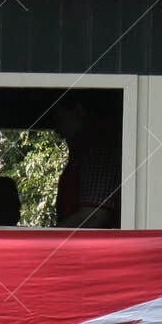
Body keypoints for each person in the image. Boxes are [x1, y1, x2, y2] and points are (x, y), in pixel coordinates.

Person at [49, 96, 121, 228]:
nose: (58, 131)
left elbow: (94, 216)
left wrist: (49, 237)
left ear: (79, 111)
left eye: (60, 120)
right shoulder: (81, 155)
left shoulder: (98, 152)